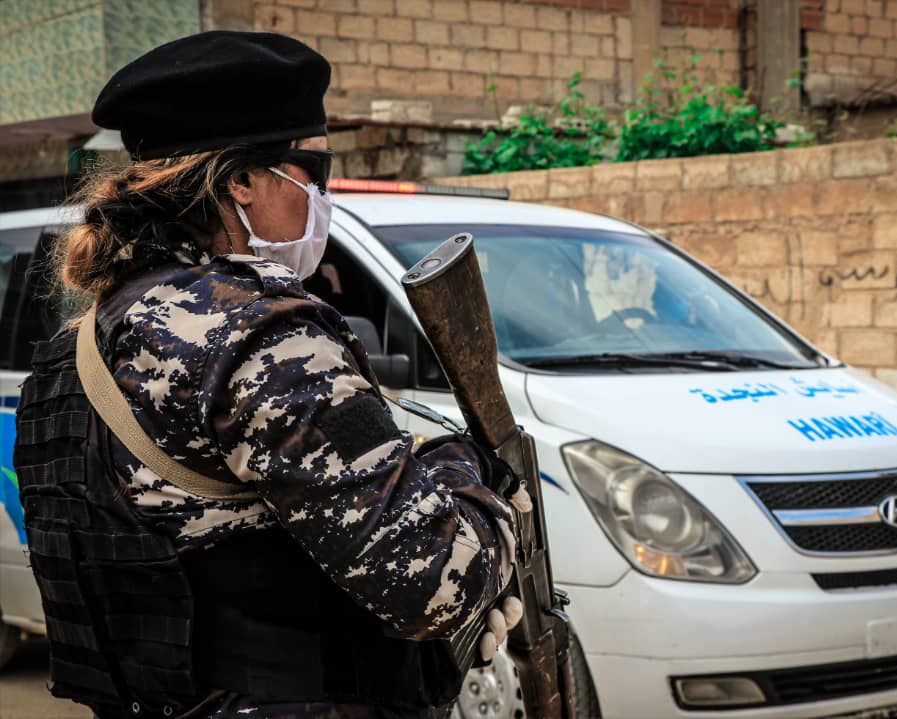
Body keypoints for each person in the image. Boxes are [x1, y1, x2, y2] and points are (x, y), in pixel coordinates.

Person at [15, 31, 520, 719]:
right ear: (243, 181)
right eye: (315, 169)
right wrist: (475, 479)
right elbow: (433, 583)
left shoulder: (75, 346)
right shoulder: (260, 334)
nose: (323, 195)